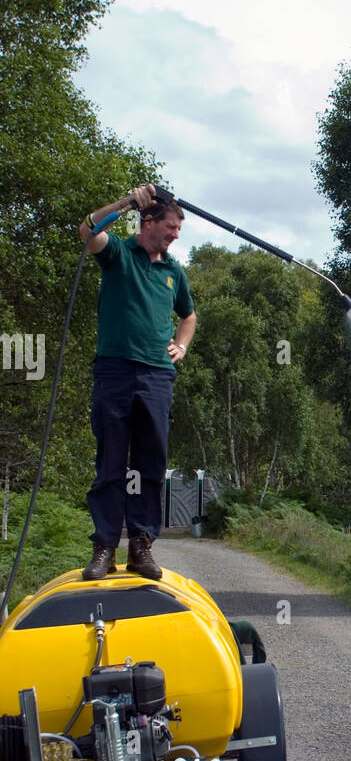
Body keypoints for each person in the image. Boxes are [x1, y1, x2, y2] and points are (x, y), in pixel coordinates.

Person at [79, 183, 196, 581]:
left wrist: (181, 345)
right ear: (148, 221)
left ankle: (142, 546)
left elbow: (189, 316)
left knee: (151, 463)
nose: (176, 234)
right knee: (111, 462)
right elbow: (88, 229)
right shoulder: (118, 254)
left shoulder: (174, 272)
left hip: (157, 376)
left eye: (179, 229)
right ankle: (105, 548)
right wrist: (128, 200)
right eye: (171, 226)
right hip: (114, 370)